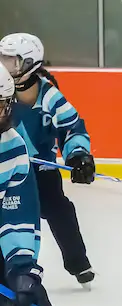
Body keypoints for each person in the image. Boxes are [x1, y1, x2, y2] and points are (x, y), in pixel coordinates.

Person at [0, 69, 105, 306]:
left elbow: (16, 213)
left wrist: (22, 267)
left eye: (3, 105)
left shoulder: (11, 146)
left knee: (25, 295)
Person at [0, 33, 97, 287]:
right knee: (13, 218)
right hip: (10, 169)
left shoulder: (50, 96)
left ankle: (78, 264)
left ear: (28, 63)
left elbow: (72, 128)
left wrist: (79, 155)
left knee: (61, 212)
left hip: (42, 173)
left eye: (10, 60)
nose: (4, 65)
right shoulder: (2, 93)